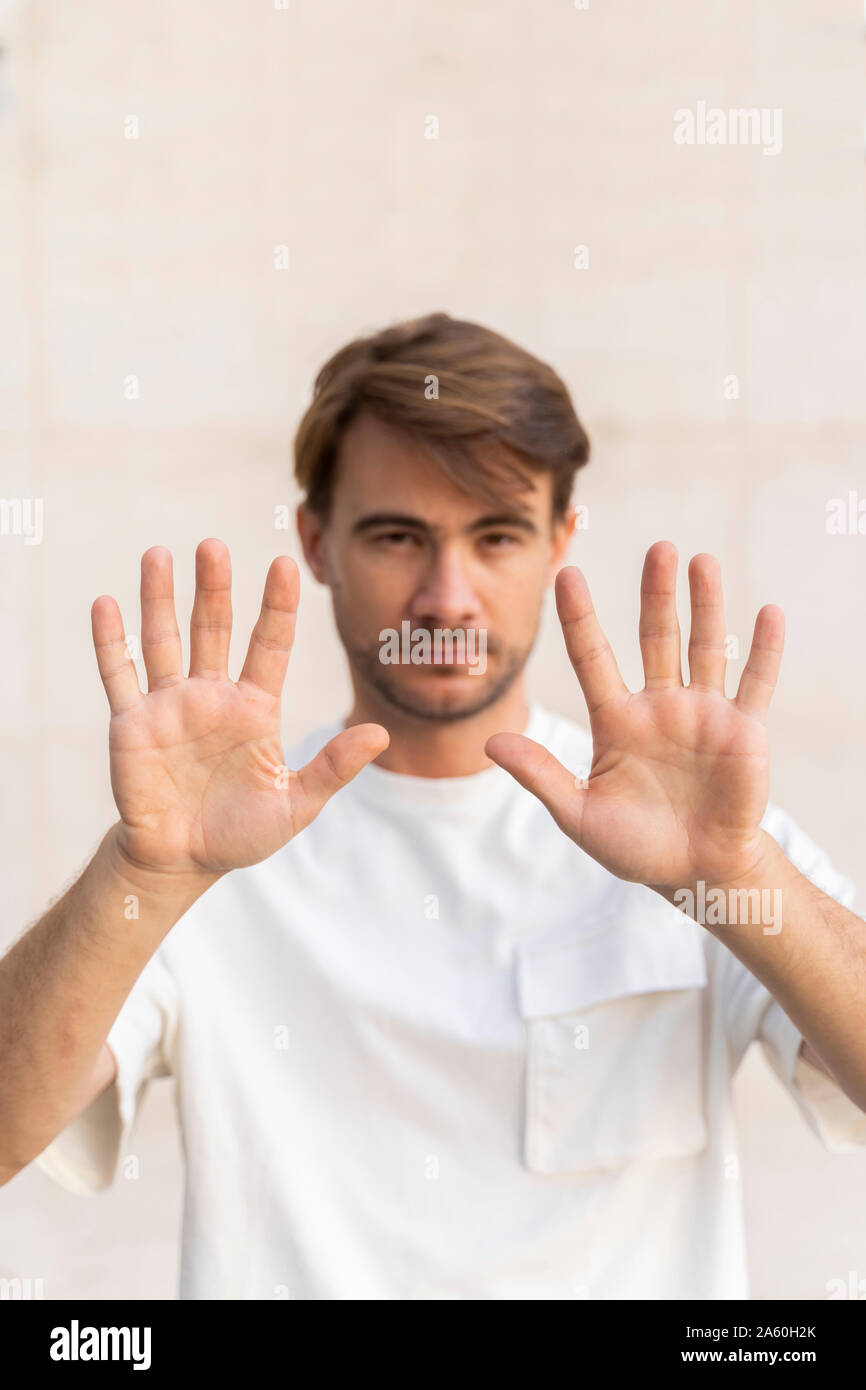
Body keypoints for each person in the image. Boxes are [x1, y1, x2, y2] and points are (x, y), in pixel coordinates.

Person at [2, 312, 865, 1300]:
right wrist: (141, 874)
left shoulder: (699, 837)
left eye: (494, 534)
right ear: (315, 542)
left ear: (558, 542)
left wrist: (736, 876)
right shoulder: (205, 851)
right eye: (397, 536)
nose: (445, 597)